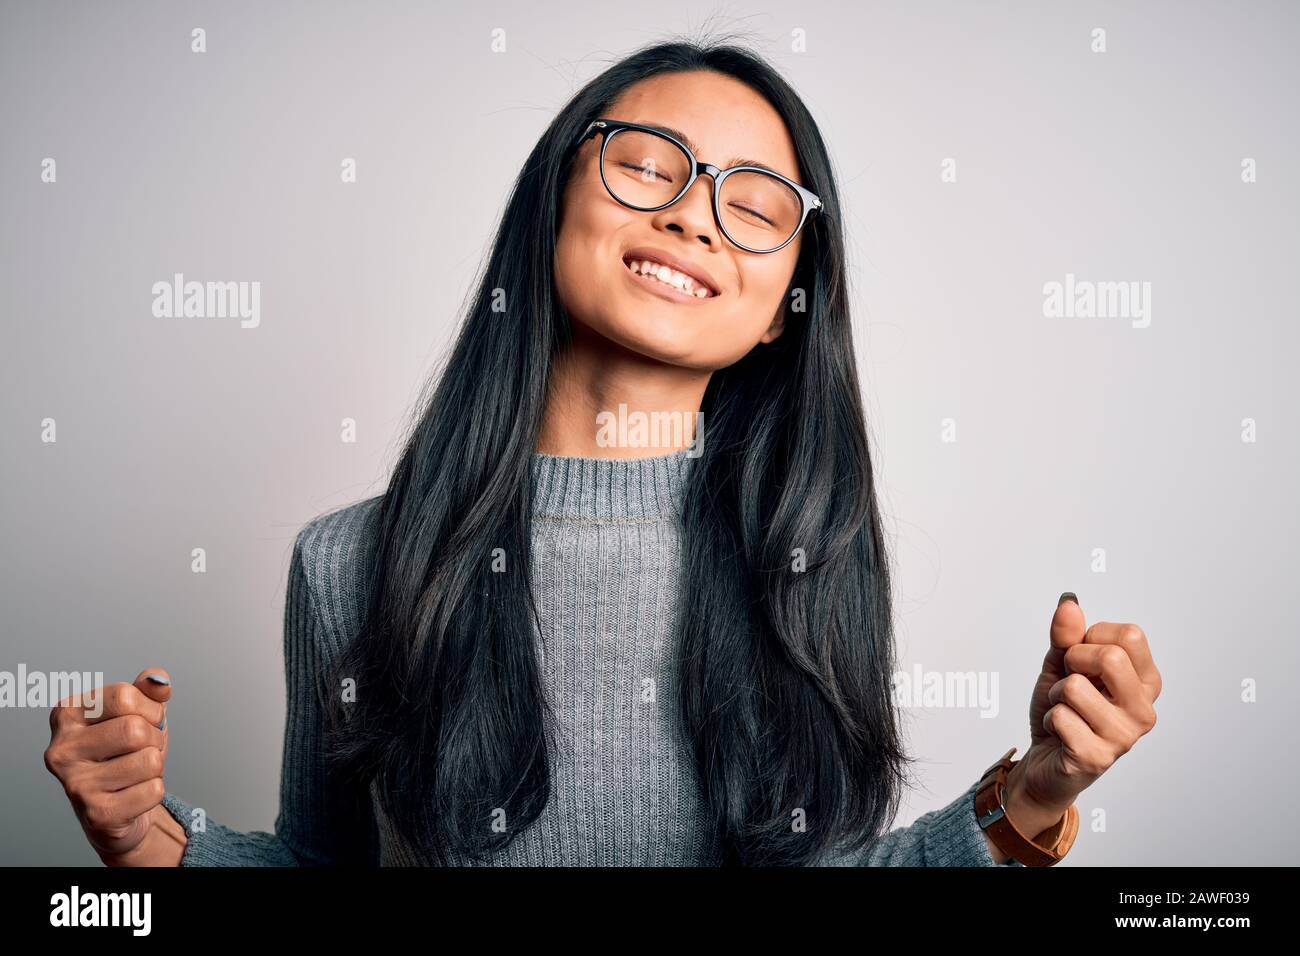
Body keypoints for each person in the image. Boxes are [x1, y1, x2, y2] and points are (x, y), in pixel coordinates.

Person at [44, 38, 1161, 867]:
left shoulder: (814, 554)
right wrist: (143, 832)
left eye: (756, 202)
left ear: (785, 303)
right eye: (647, 164)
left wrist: (1035, 794)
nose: (694, 217)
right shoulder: (349, 563)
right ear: (552, 203)